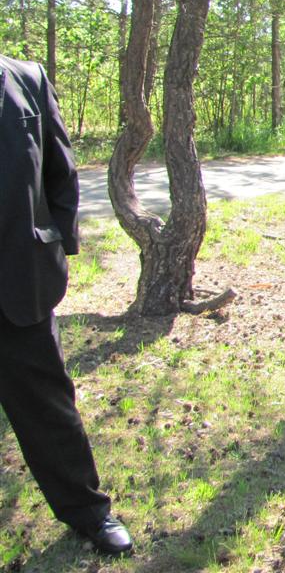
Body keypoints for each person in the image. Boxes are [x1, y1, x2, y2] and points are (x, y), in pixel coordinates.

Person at [0, 54, 132, 557]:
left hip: (18, 284)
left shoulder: (25, 79)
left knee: (50, 410)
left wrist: (53, 242)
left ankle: (89, 512)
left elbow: (61, 169)